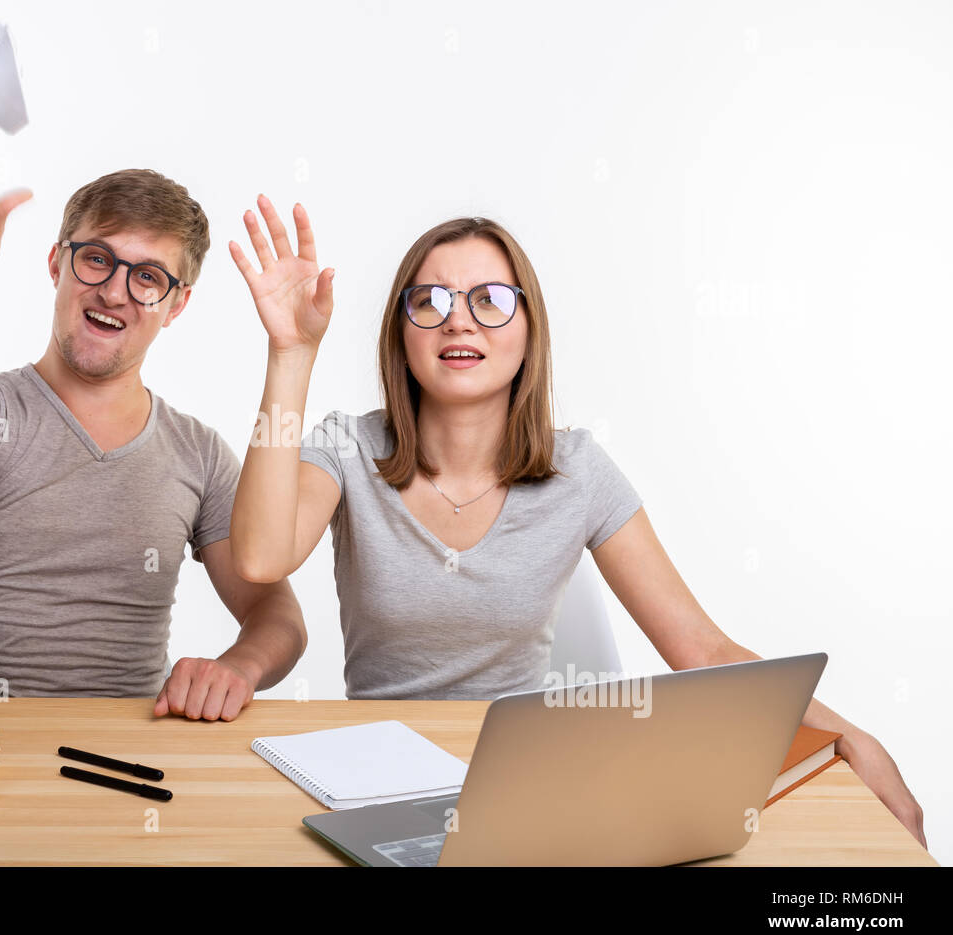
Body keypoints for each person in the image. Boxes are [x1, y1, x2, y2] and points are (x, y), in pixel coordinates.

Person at [226, 195, 927, 847]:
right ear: (400, 332)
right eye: (430, 301)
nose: (458, 320)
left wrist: (853, 736)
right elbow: (260, 559)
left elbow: (705, 653)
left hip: (529, 797)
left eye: (490, 300)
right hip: (375, 792)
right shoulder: (346, 448)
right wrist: (291, 353)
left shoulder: (579, 470)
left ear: (529, 333)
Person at [0, 114, 306, 721]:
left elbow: (278, 614)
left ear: (177, 304)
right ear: (57, 264)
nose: (114, 291)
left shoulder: (198, 453)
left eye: (147, 278)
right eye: (97, 260)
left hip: (130, 759)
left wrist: (238, 667)